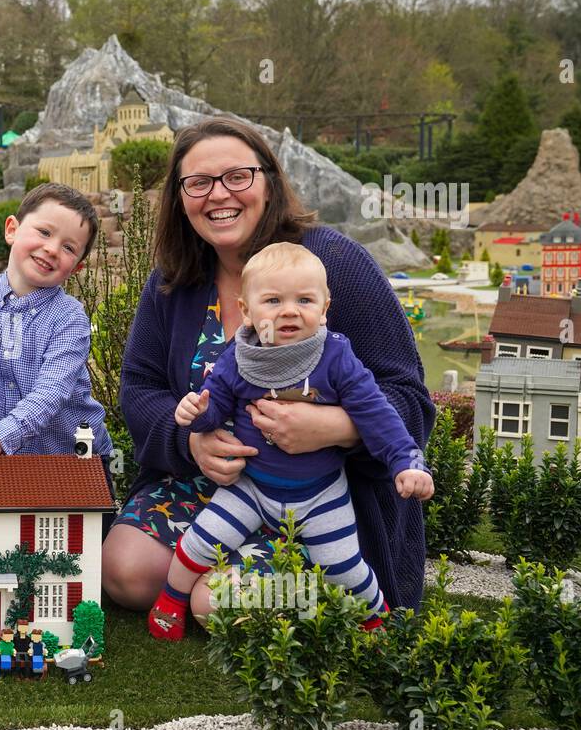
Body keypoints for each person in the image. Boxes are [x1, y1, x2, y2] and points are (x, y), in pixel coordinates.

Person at [102, 117, 434, 621]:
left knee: (213, 602)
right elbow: (140, 387)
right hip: (214, 488)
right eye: (198, 183)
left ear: (269, 181)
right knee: (125, 573)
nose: (219, 195)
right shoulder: (175, 280)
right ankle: (236, 574)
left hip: (320, 496)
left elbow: (408, 395)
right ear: (180, 197)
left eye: (238, 176)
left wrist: (338, 428)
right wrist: (189, 441)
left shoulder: (334, 264)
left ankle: (314, 586)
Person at [147, 242, 435, 639]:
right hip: (251, 486)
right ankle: (171, 598)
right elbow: (219, 402)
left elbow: (377, 413)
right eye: (272, 300)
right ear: (246, 311)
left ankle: (376, 617)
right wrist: (197, 415)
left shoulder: (335, 357)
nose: (288, 310)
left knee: (344, 567)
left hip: (320, 494)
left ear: (325, 307)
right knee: (200, 541)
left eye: (304, 299)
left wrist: (405, 460)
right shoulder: (240, 355)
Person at [0, 182, 113, 475]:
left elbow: (49, 394)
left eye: (69, 247)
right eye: (45, 232)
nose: (51, 249)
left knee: (75, 521)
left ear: (76, 267)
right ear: (12, 229)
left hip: (73, 462)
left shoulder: (70, 318)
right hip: (0, 460)